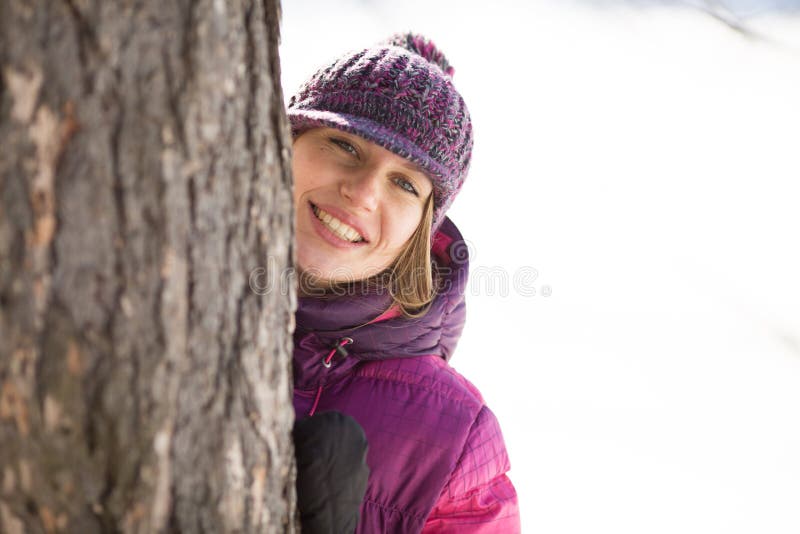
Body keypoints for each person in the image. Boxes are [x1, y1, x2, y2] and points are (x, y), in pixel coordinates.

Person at [288, 32, 521, 533]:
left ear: (423, 227)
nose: (362, 192)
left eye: (404, 182)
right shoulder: (148, 294)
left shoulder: (454, 437)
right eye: (345, 144)